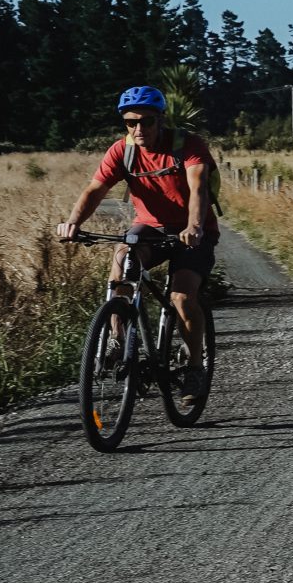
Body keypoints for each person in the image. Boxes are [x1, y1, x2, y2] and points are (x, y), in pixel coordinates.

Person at [56, 86, 216, 386]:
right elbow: (95, 189)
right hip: (149, 227)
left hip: (194, 232)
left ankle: (195, 367)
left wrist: (193, 226)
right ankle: (117, 338)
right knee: (123, 259)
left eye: (146, 121)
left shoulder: (187, 145)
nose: (139, 128)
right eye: (131, 122)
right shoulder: (122, 150)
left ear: (161, 119)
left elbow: (199, 187)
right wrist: (73, 222)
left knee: (182, 298)